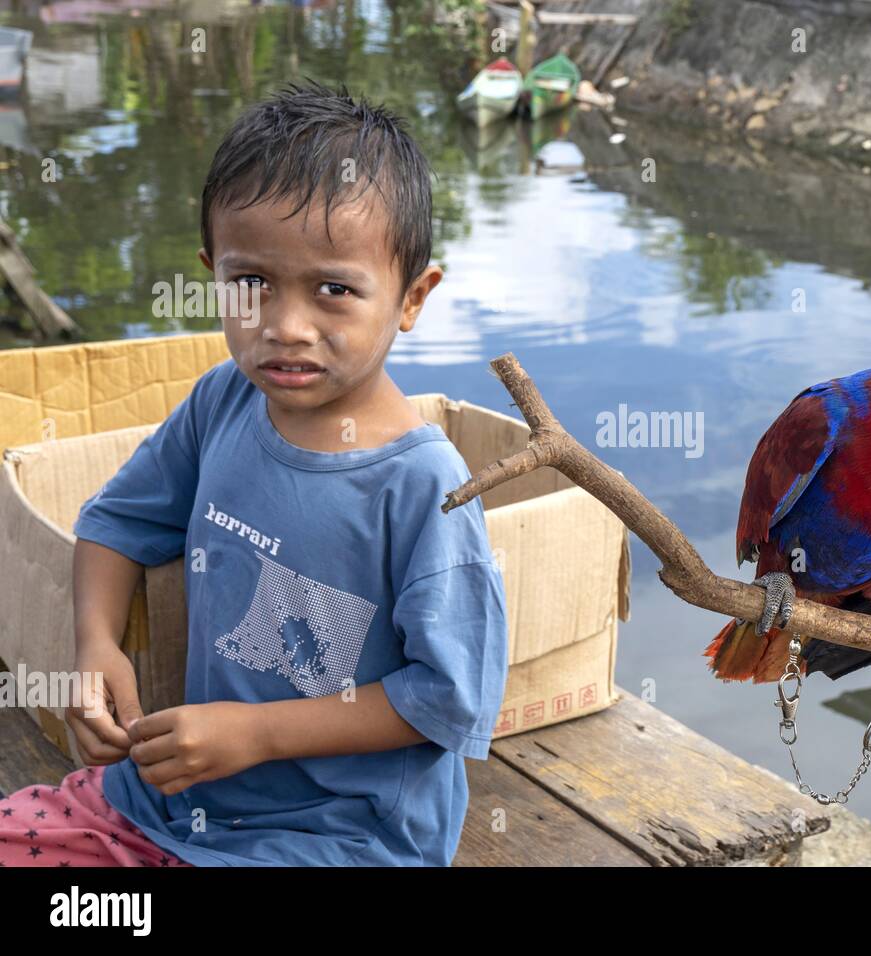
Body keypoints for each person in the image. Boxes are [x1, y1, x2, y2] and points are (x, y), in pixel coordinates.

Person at [0, 80, 509, 866]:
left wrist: (257, 732)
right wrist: (95, 648)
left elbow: (448, 698)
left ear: (412, 296)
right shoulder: (222, 404)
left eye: (334, 290)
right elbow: (114, 524)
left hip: (345, 837)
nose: (285, 326)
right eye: (250, 284)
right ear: (213, 270)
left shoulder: (425, 488)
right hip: (174, 796)